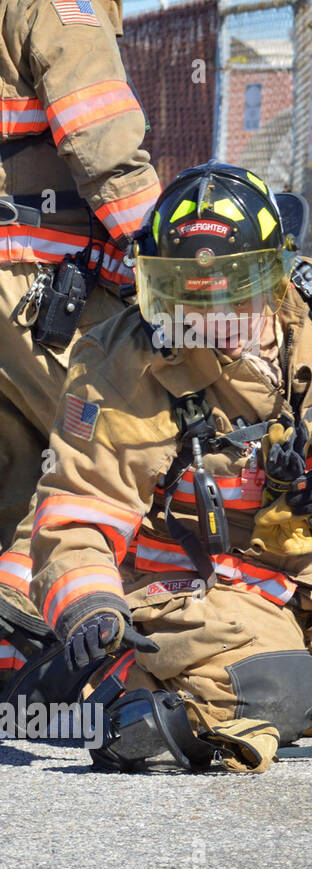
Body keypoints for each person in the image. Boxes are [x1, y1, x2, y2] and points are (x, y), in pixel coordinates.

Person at [25, 161, 312, 772]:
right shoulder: (121, 363)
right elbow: (78, 510)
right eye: (182, 292)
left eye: (231, 289)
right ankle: (139, 686)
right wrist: (92, 607)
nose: (205, 316)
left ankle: (278, 691)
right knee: (266, 687)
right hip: (210, 589)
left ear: (274, 273)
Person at [0, 0, 159, 556]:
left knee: (21, 489)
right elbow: (101, 140)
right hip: (33, 280)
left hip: (19, 288)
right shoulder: (58, 7)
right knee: (120, 454)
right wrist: (161, 259)